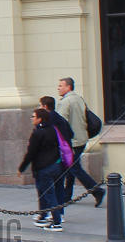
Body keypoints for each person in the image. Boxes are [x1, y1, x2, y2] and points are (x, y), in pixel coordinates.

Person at [56, 76, 105, 208]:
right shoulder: (79, 99)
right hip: (82, 138)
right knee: (70, 168)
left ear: (68, 87)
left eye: (61, 85)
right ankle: (67, 195)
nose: (58, 88)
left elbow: (61, 124)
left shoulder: (65, 102)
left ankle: (97, 191)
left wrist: (60, 142)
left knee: (74, 168)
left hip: (72, 141)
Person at [18, 107, 65, 230]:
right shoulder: (52, 129)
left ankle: (56, 222)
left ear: (40, 119)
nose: (32, 118)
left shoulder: (37, 133)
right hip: (55, 165)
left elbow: (31, 153)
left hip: (43, 167)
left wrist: (22, 168)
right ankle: (43, 215)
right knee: (44, 192)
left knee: (48, 194)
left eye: (33, 116)